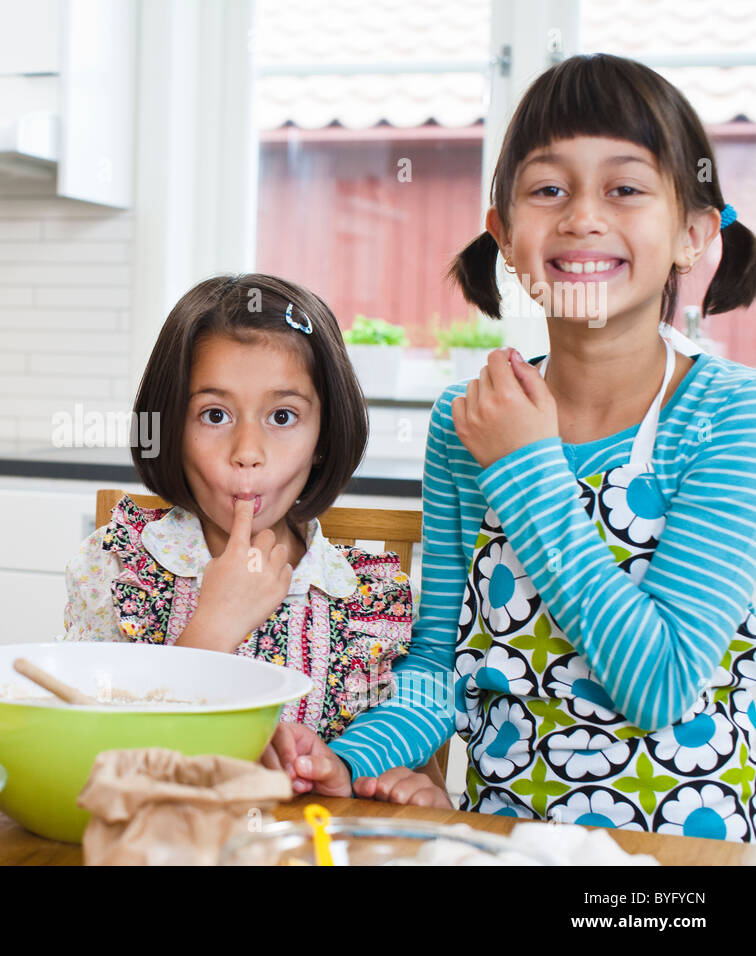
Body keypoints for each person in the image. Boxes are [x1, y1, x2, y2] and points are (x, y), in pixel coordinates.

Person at [276, 54, 756, 841]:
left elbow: (663, 681)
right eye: (548, 189)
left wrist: (526, 466)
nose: (582, 217)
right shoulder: (466, 422)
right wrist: (344, 761)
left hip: (678, 864)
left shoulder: (729, 416)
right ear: (504, 233)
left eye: (625, 188)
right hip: (500, 846)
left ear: (693, 234)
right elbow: (439, 673)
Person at [63, 274, 414, 753]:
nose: (247, 452)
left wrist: (392, 781)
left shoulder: (370, 599)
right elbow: (86, 752)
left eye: (283, 416)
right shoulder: (117, 567)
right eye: (214, 415)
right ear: (170, 430)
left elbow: (403, 776)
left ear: (323, 439)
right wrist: (215, 623)